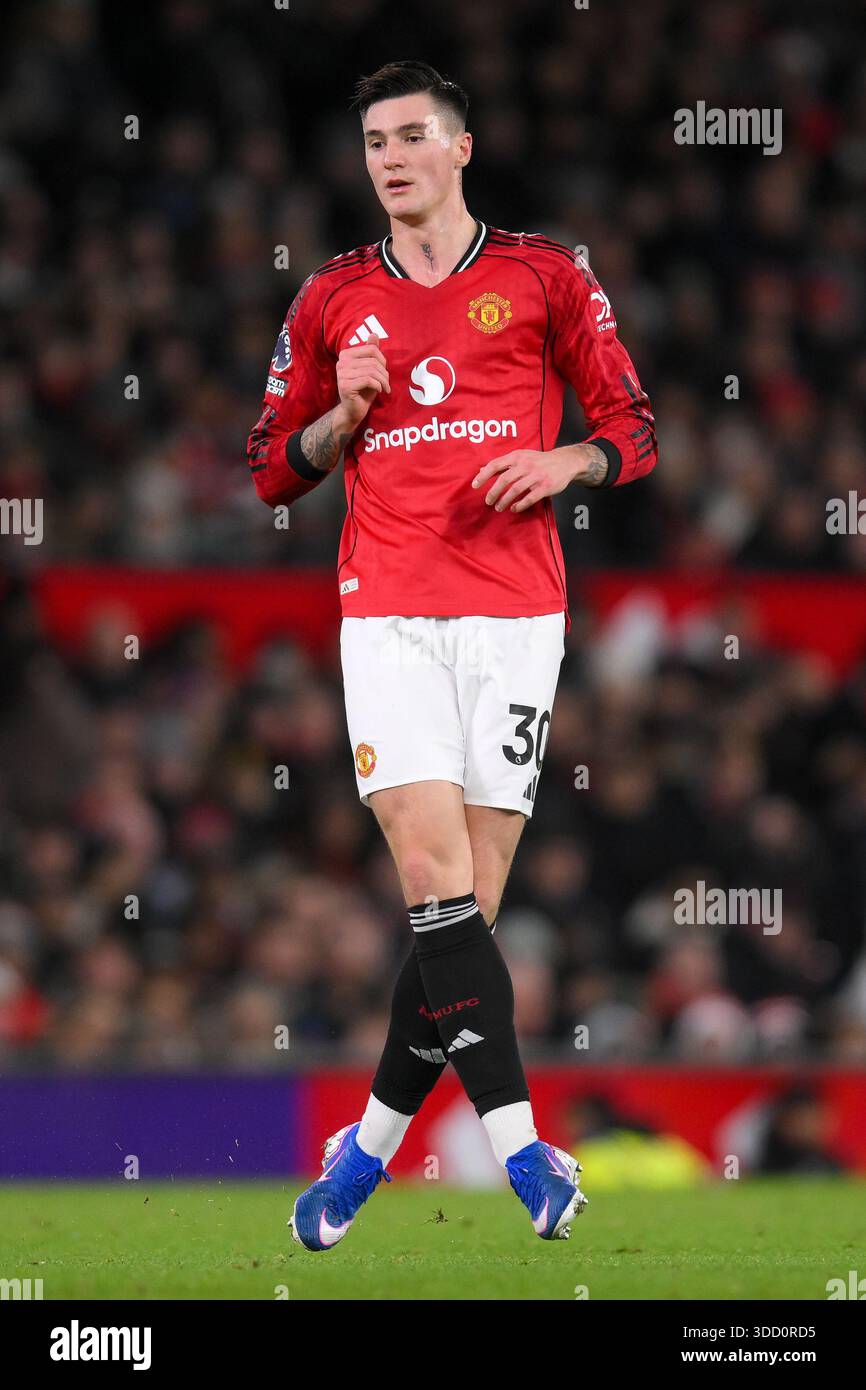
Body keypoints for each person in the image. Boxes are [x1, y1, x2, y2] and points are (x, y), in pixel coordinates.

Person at [247, 60, 657, 1250]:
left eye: (414, 135)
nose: (391, 155)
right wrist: (344, 416)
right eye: (374, 138)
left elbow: (634, 427)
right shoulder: (330, 300)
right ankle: (524, 1152)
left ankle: (359, 1157)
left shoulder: (544, 277)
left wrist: (565, 463)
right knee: (435, 888)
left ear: (460, 148)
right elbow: (274, 464)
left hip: (517, 617)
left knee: (464, 915)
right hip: (386, 613)